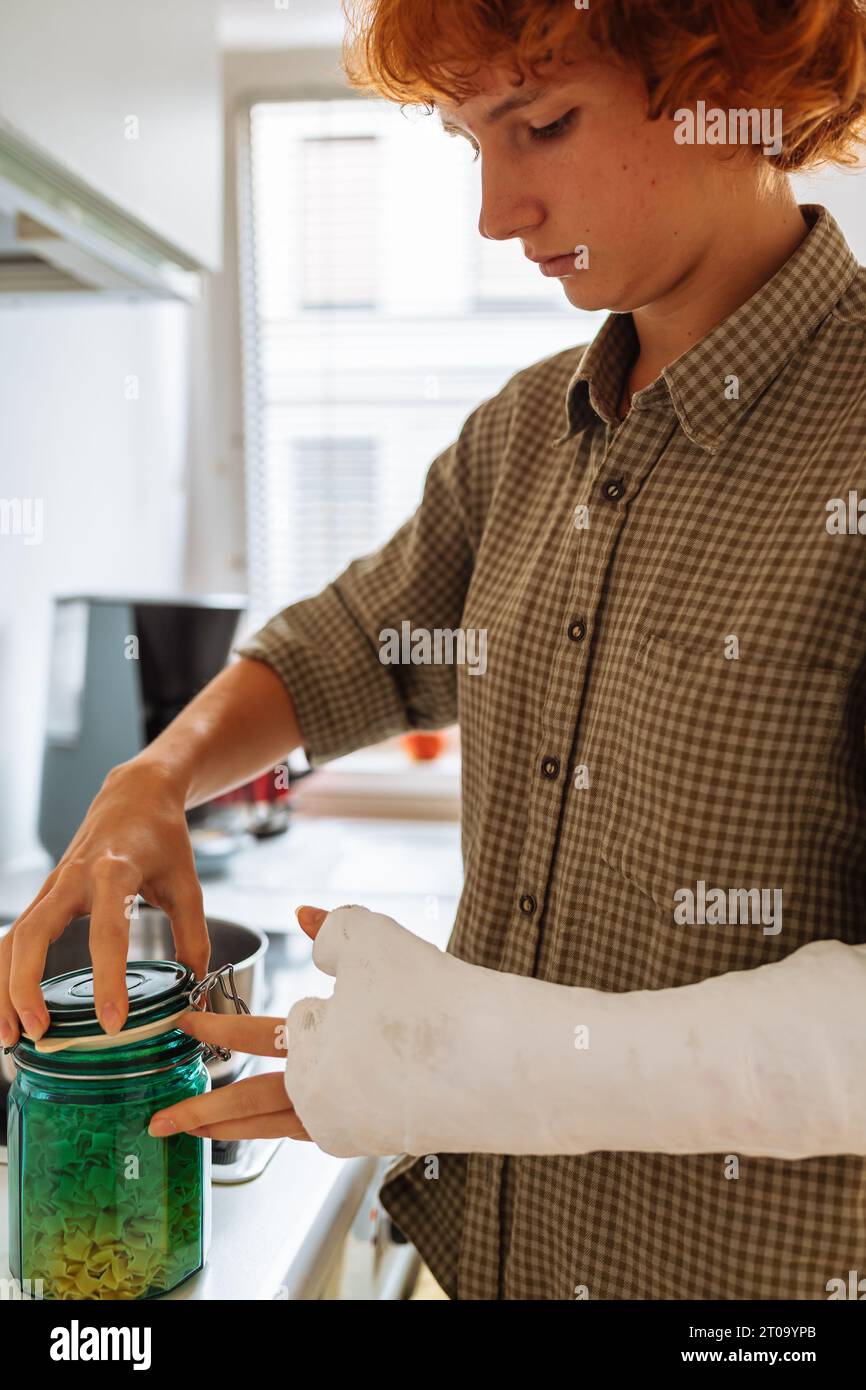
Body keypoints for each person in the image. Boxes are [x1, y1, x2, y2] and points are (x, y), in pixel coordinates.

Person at [3, 0, 866, 1300]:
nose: (493, 211)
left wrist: (513, 1059)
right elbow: (348, 643)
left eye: (541, 125)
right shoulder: (521, 438)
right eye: (471, 143)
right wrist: (154, 775)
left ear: (732, 78)